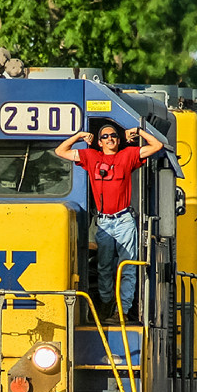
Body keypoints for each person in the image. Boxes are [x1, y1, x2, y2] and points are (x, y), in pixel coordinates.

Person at [56, 123, 163, 323]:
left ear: (119, 139)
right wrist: (78, 136)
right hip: (104, 221)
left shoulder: (128, 155)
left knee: (127, 267)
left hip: (124, 220)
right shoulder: (90, 156)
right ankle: (106, 304)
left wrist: (139, 131)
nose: (110, 139)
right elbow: (60, 151)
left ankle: (121, 311)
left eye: (113, 135)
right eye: (105, 136)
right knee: (103, 267)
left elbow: (157, 146)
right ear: (99, 142)